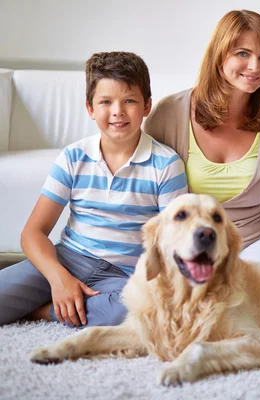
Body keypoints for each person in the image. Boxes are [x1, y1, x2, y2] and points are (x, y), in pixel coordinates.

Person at [0, 52, 188, 328]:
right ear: (89, 108)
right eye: (105, 102)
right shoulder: (74, 157)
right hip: (67, 260)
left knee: (138, 312)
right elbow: (33, 233)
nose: (118, 111)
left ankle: (45, 312)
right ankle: (63, 300)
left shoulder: (167, 164)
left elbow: (172, 242)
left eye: (130, 101)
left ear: (147, 105)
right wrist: (59, 279)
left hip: (123, 274)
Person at [143, 10, 260, 269]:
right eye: (243, 53)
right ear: (219, 54)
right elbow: (145, 192)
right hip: (187, 242)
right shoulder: (168, 114)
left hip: (255, 241)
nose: (255, 67)